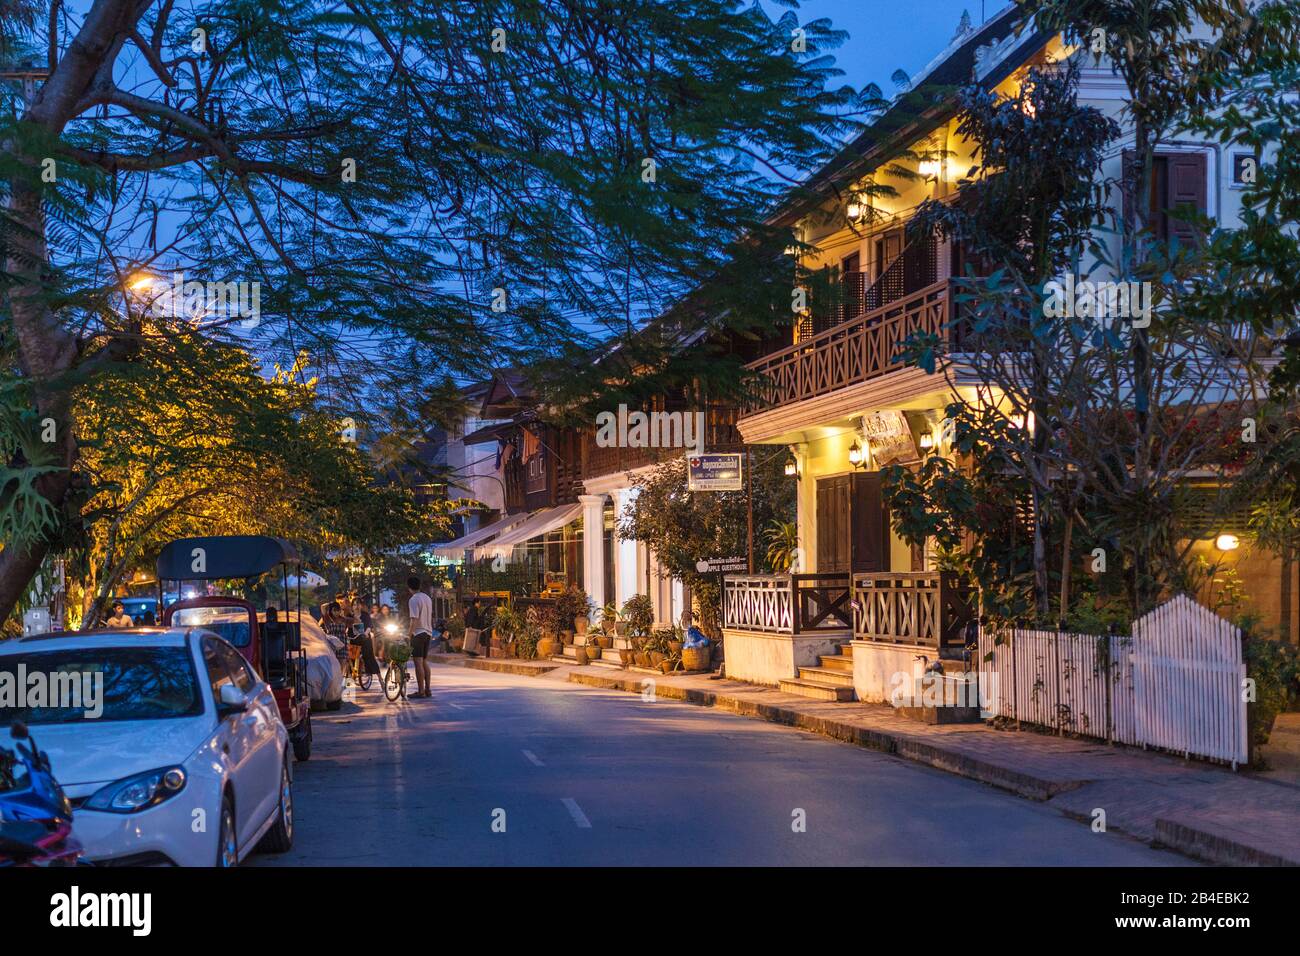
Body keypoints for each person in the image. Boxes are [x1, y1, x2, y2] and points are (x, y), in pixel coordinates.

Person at [406, 576, 434, 698]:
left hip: (418, 633)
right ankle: (428, 689)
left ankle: (421, 691)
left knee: (418, 663)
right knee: (424, 661)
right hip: (428, 632)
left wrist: (409, 635)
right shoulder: (427, 598)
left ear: (409, 587)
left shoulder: (413, 599)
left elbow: (414, 619)